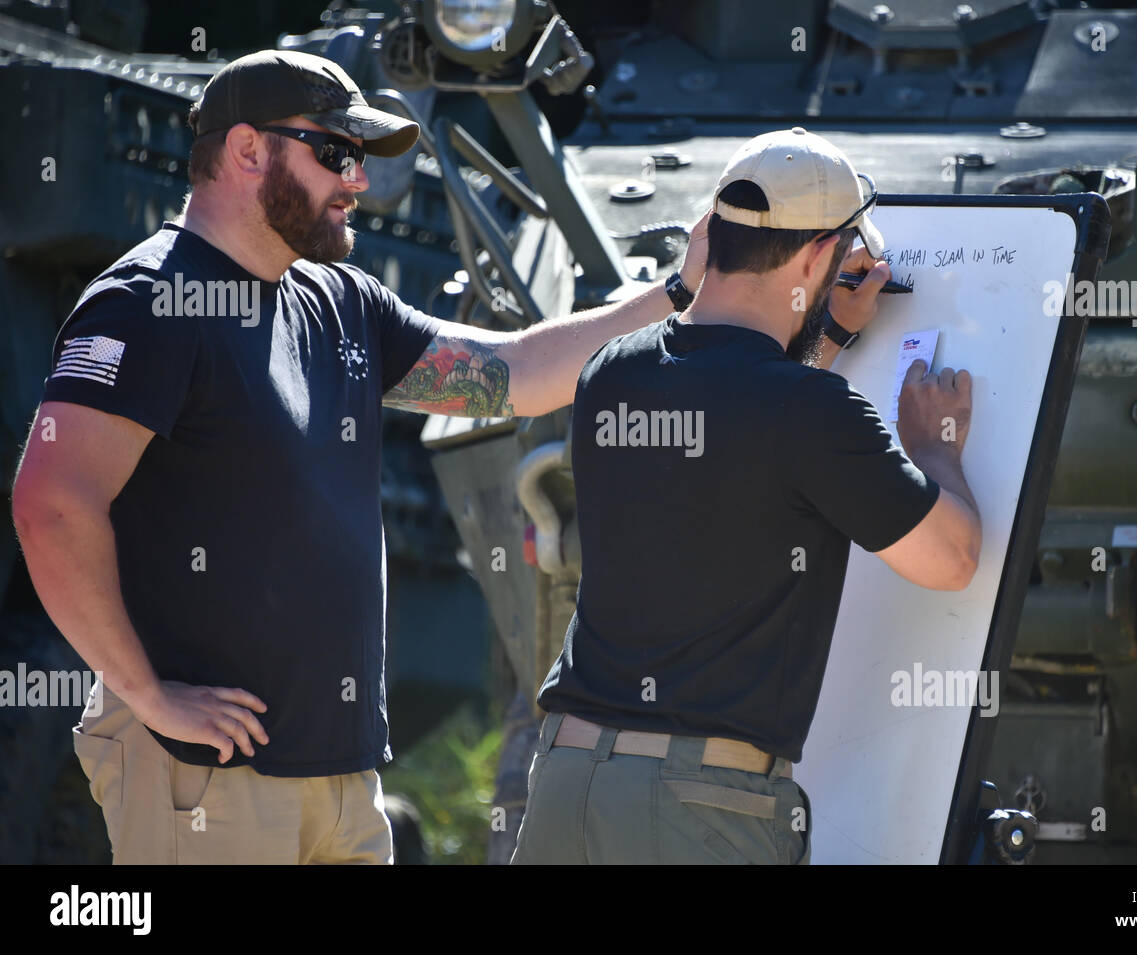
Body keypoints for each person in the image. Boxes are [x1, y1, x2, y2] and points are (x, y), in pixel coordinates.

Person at [9, 49, 707, 864]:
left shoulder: (340, 301)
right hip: (206, 777)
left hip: (343, 785)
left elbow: (513, 374)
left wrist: (680, 295)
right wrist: (147, 696)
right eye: (336, 152)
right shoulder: (146, 303)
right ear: (245, 150)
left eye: (363, 157)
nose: (359, 181)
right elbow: (51, 503)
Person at [511, 127, 982, 865]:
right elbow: (950, 557)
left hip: (566, 786)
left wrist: (825, 340)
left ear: (715, 236)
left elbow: (735, 434)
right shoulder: (806, 414)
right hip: (695, 809)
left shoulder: (611, 373)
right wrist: (934, 449)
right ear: (818, 255)